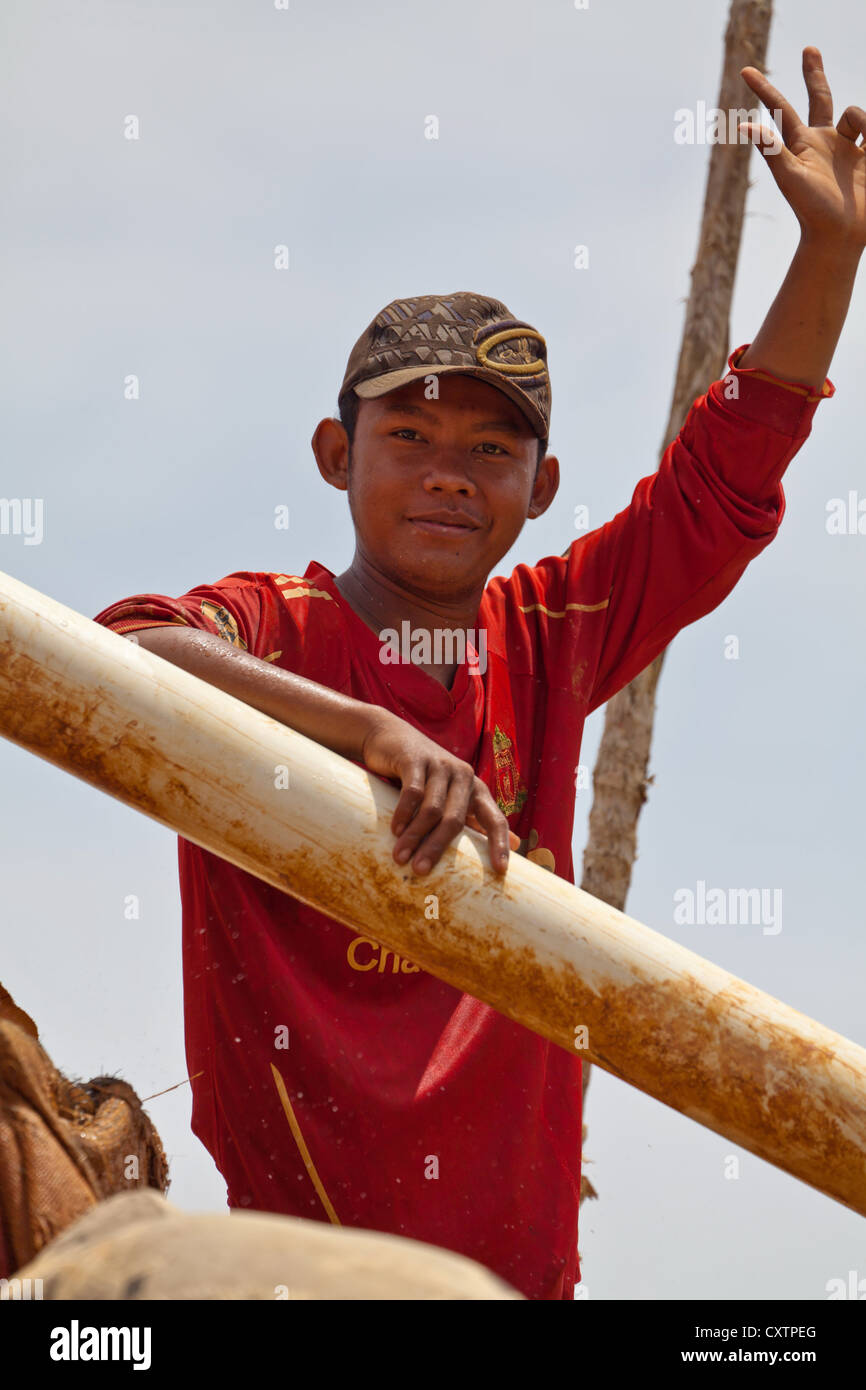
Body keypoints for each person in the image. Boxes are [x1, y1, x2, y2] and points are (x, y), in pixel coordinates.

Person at [93, 48, 864, 1299]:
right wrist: (366, 735)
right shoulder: (273, 629)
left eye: (488, 447)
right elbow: (121, 655)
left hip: (518, 1286)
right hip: (296, 1276)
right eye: (408, 436)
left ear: (537, 489)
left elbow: (720, 482)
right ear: (336, 455)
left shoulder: (551, 632)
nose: (448, 471)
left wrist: (826, 255)